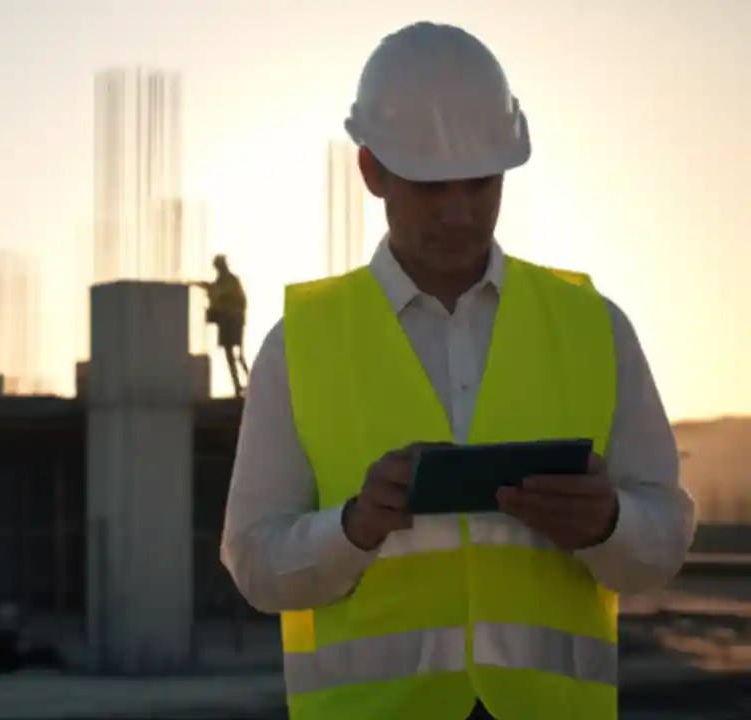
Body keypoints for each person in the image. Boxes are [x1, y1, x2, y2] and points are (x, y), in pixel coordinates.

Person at [219, 21, 694, 720]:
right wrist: (353, 527)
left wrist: (609, 523)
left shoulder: (595, 328)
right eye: (431, 187)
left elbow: (662, 543)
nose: (460, 213)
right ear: (373, 171)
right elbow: (256, 566)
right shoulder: (300, 346)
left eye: (480, 184)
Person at [193, 254, 250, 396]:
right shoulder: (223, 282)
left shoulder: (231, 281)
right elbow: (215, 292)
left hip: (233, 322)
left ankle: (251, 383)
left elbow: (238, 300)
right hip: (227, 322)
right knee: (230, 356)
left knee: (238, 355)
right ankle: (238, 386)